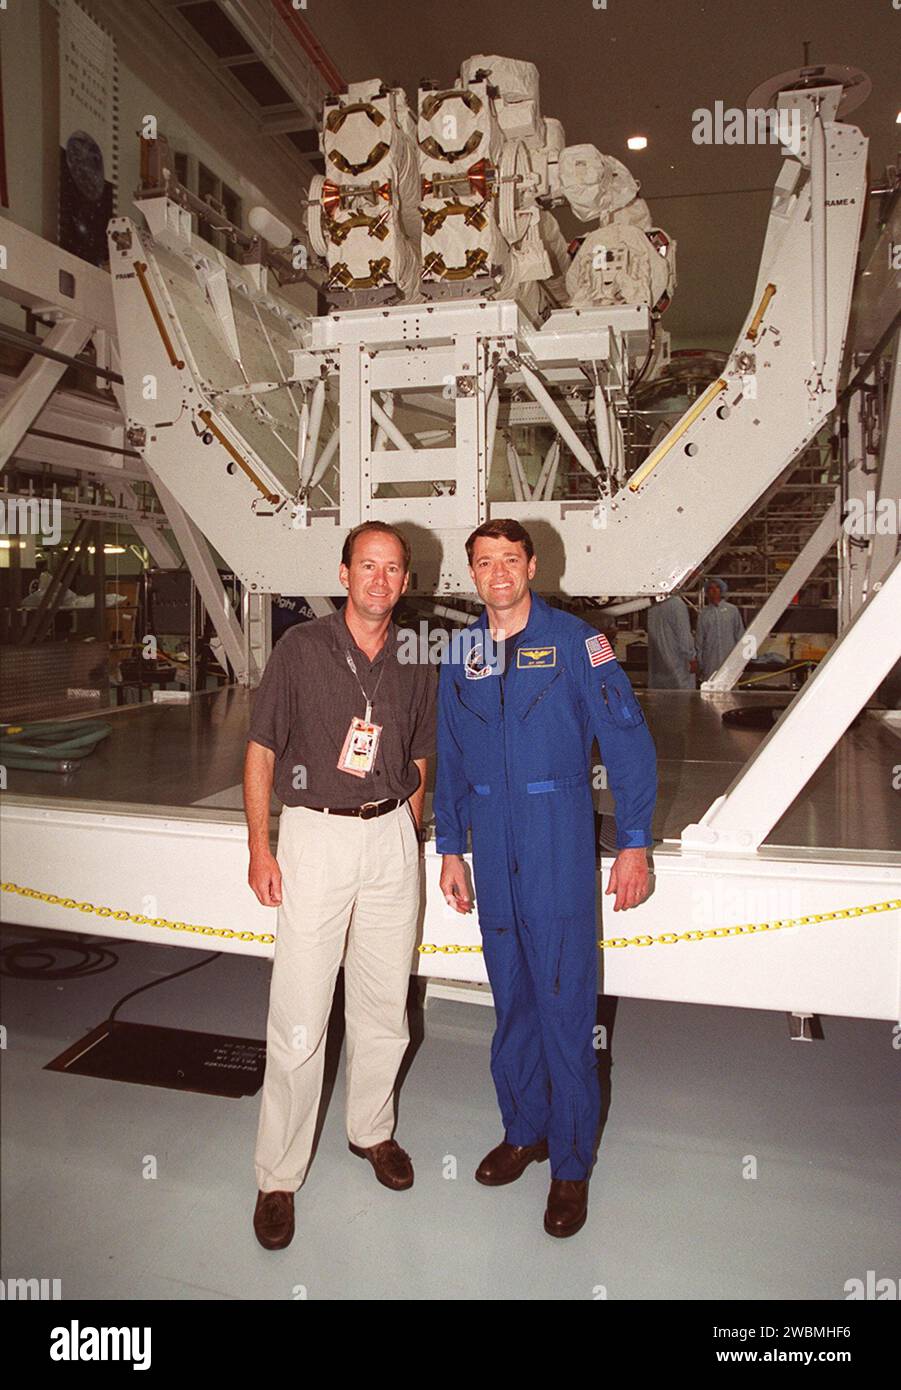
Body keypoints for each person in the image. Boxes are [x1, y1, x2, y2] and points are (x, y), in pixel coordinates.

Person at [434, 518, 657, 1239]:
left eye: (508, 559)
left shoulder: (575, 643)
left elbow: (625, 742)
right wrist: (450, 847)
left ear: (531, 565)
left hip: (556, 833)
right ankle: (522, 1130)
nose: (496, 573)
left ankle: (569, 1164)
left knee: (564, 1006)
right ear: (470, 574)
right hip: (491, 843)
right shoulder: (461, 653)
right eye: (482, 562)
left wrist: (632, 842)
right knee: (511, 1003)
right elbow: (451, 754)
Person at [244, 522, 436, 1251]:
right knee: (299, 1009)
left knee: (385, 1001)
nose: (379, 580)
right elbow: (261, 751)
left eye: (392, 569)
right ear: (344, 572)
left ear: (405, 581)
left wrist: (407, 834)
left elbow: (421, 753)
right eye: (367, 566)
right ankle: (277, 1175)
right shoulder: (301, 649)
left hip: (390, 835)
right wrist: (261, 847)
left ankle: (370, 1131)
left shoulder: (416, 655)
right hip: (316, 833)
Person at [696, 575, 745, 681]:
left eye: (716, 588)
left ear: (721, 590)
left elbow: (740, 635)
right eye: (710, 588)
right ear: (707, 593)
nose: (714, 591)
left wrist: (741, 659)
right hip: (710, 661)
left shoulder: (732, 611)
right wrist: (700, 662)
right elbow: (699, 642)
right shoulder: (703, 614)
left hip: (730, 659)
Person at [645, 592, 696, 689]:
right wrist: (691, 657)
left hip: (658, 669)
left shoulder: (653, 606)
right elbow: (683, 635)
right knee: (681, 701)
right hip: (677, 668)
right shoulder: (677, 604)